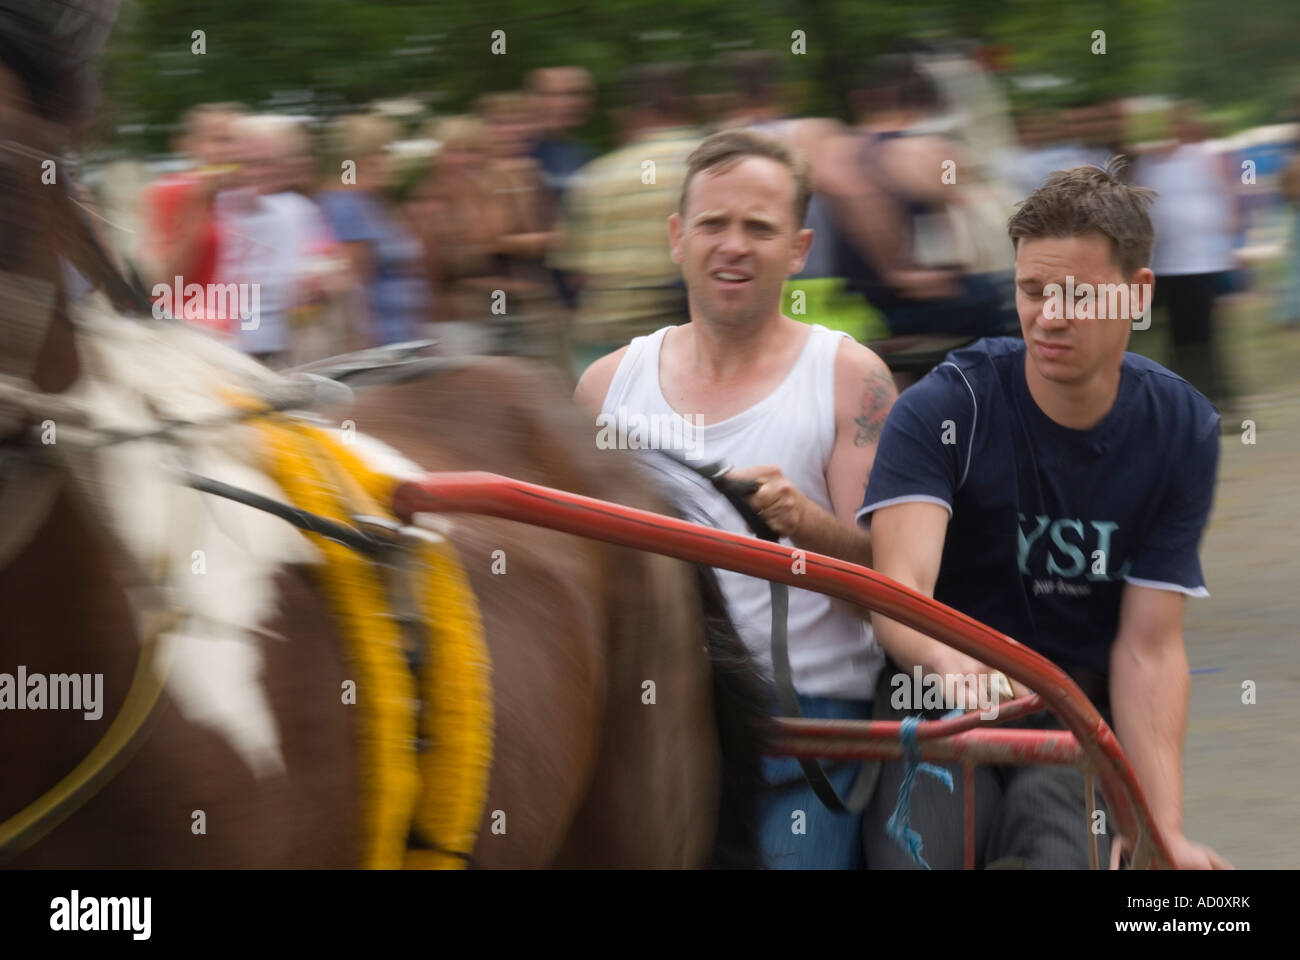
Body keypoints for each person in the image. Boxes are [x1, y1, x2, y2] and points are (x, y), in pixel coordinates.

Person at [857, 161, 1231, 870]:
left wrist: (1162, 828)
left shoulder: (1182, 427)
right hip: (938, 704)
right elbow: (901, 592)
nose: (1049, 316)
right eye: (1032, 291)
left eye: (1076, 296)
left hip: (1075, 721)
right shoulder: (945, 407)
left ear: (1139, 293)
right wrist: (952, 666)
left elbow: (1149, 649)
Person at [574, 129, 894, 869]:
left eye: (760, 227)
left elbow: (894, 580)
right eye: (715, 224)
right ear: (677, 238)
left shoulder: (851, 378)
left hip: (804, 724)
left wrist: (802, 524)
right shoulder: (607, 387)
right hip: (646, 720)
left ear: (799, 248)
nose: (734, 245)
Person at [550, 63, 703, 379]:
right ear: (686, 104)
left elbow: (576, 275)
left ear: (631, 112)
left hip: (606, 345)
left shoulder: (597, 174)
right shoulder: (708, 164)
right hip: (683, 340)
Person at [1137, 102, 1241, 412]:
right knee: (1177, 335)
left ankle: (1214, 398)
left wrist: (1226, 244)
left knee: (1202, 334)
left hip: (1201, 262)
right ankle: (1185, 400)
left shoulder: (1202, 158)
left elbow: (1226, 201)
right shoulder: (1147, 166)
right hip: (1165, 265)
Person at [317, 114, 433, 347]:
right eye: (386, 151)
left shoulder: (375, 201)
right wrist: (365, 349)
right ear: (365, 158)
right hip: (381, 346)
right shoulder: (346, 204)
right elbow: (355, 289)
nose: (393, 160)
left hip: (404, 337)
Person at [137, 102, 245, 337]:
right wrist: (197, 204)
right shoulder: (170, 191)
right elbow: (162, 282)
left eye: (237, 141)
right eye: (220, 140)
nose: (231, 150)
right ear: (189, 145)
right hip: (182, 332)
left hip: (231, 330)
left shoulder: (242, 197)